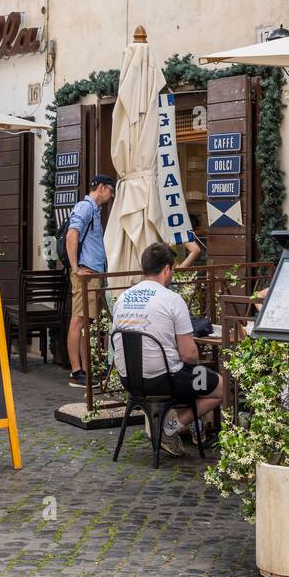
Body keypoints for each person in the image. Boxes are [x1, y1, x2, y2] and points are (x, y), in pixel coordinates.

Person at [111, 242, 225, 457]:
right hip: (163, 380)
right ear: (167, 269)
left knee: (192, 379)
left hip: (129, 379)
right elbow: (189, 355)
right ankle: (170, 428)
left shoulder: (123, 297)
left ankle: (186, 419)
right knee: (221, 385)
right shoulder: (172, 300)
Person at [66, 174, 116, 388]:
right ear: (102, 188)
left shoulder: (93, 210)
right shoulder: (85, 207)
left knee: (87, 322)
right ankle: (76, 371)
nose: (111, 196)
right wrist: (76, 268)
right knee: (79, 321)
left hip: (93, 273)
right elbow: (71, 235)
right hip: (86, 273)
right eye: (110, 191)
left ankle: (86, 371)